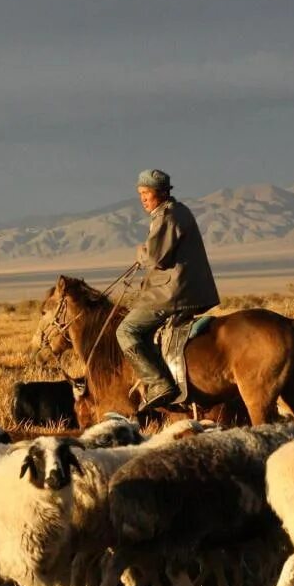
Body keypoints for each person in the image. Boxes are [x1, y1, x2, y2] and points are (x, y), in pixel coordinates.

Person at [115, 168, 220, 413]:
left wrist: (140, 251)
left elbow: (155, 258)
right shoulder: (178, 212)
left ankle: (159, 383)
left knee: (126, 330)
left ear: (161, 193)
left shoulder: (167, 216)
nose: (143, 198)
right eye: (140, 193)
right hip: (188, 290)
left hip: (173, 293)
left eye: (146, 193)